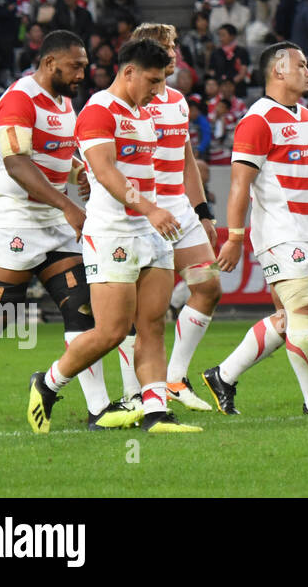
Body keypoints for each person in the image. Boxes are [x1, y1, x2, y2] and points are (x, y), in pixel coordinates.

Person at [0, 32, 137, 433]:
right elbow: (17, 164)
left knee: (82, 309)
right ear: (49, 64)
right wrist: (67, 204)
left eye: (84, 65)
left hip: (54, 223)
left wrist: (79, 172)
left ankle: (99, 408)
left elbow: (58, 152)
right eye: (75, 65)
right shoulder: (18, 100)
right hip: (16, 219)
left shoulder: (64, 102)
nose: (84, 72)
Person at [26, 39, 194, 434]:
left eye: (163, 80)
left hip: (149, 233)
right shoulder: (100, 110)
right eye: (152, 80)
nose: (157, 90)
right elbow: (105, 171)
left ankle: (155, 413)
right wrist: (150, 208)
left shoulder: (146, 113)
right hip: (112, 233)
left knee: (153, 325)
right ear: (129, 72)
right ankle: (48, 382)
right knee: (112, 331)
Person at [205, 43, 308, 416]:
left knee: (287, 321)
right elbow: (238, 184)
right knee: (304, 309)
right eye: (302, 65)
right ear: (279, 71)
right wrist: (233, 238)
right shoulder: (258, 120)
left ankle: (223, 376)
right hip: (279, 234)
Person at [126, 24, 223, 412]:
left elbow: (186, 161)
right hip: (143, 211)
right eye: (166, 46)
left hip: (179, 210)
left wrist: (202, 212)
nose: (173, 53)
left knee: (208, 286)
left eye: (174, 46)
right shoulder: (131, 98)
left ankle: (175, 378)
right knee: (140, 311)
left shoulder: (179, 101)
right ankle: (134, 395)